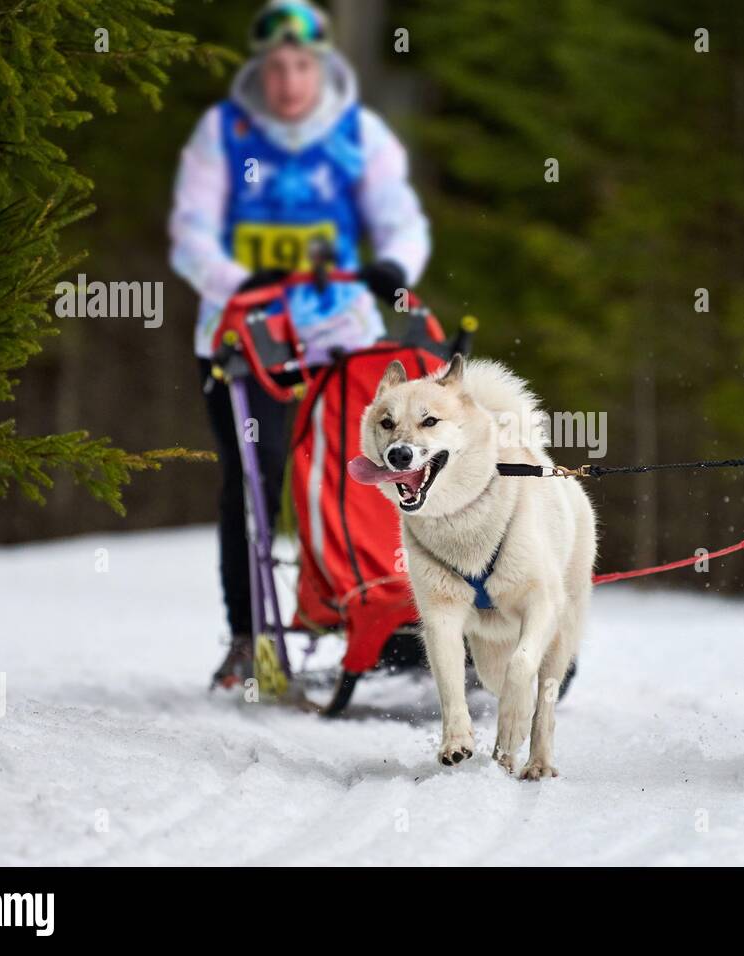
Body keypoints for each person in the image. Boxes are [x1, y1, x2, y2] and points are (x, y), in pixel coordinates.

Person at [168, 0, 430, 688]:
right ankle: (246, 635)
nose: (288, 80)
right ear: (261, 69)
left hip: (341, 342)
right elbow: (192, 235)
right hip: (243, 343)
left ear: (321, 67)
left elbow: (403, 221)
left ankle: (382, 608)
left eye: (301, 65)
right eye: (276, 66)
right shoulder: (222, 134)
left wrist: (395, 268)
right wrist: (238, 277)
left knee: (369, 474)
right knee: (254, 481)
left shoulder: (358, 134)